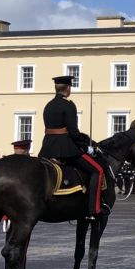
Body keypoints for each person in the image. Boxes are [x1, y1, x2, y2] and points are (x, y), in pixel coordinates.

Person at [38, 75, 103, 220]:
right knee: (97, 171)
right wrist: (87, 148)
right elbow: (73, 132)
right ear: (67, 89)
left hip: (47, 148)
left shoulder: (48, 105)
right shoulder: (68, 105)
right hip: (65, 149)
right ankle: (93, 209)